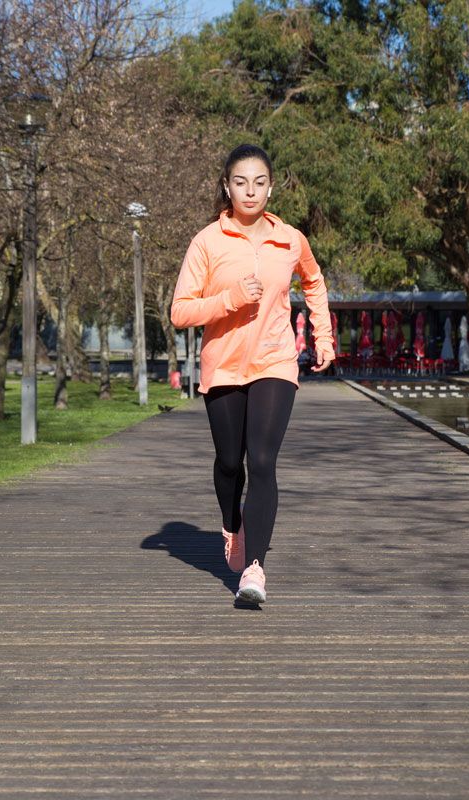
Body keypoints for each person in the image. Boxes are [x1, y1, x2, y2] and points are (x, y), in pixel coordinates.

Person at [170, 144, 335, 605]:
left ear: (271, 186)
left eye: (259, 182)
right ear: (226, 186)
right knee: (229, 462)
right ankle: (231, 525)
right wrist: (230, 298)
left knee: (261, 462)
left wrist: (323, 337)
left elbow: (314, 282)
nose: (250, 191)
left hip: (275, 360)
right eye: (240, 182)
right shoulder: (207, 241)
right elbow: (180, 311)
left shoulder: (290, 239)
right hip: (222, 365)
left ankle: (254, 569)